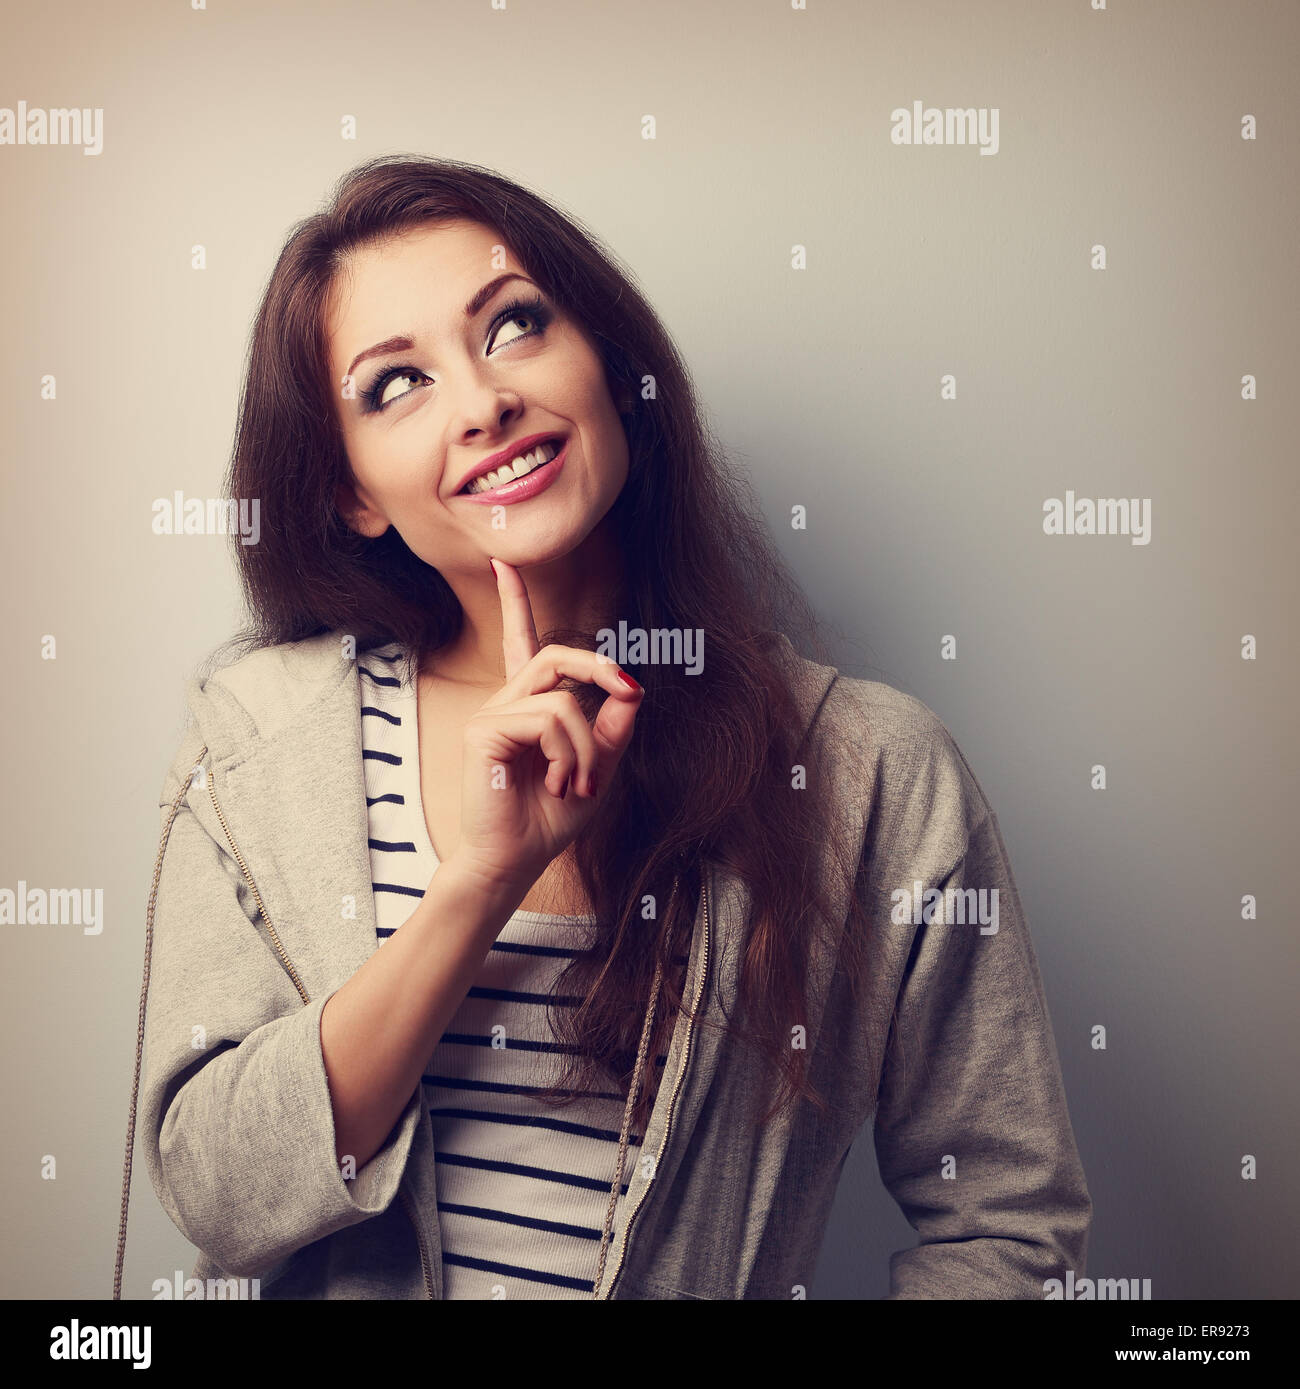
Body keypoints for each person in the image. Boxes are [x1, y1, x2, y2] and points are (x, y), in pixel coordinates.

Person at [116, 154, 1091, 1300]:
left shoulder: (868, 770)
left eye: (513, 325)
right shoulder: (256, 745)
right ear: (353, 493)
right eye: (395, 385)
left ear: (613, 369)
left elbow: (1009, 1227)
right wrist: (479, 883)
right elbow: (218, 1194)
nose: (482, 403)